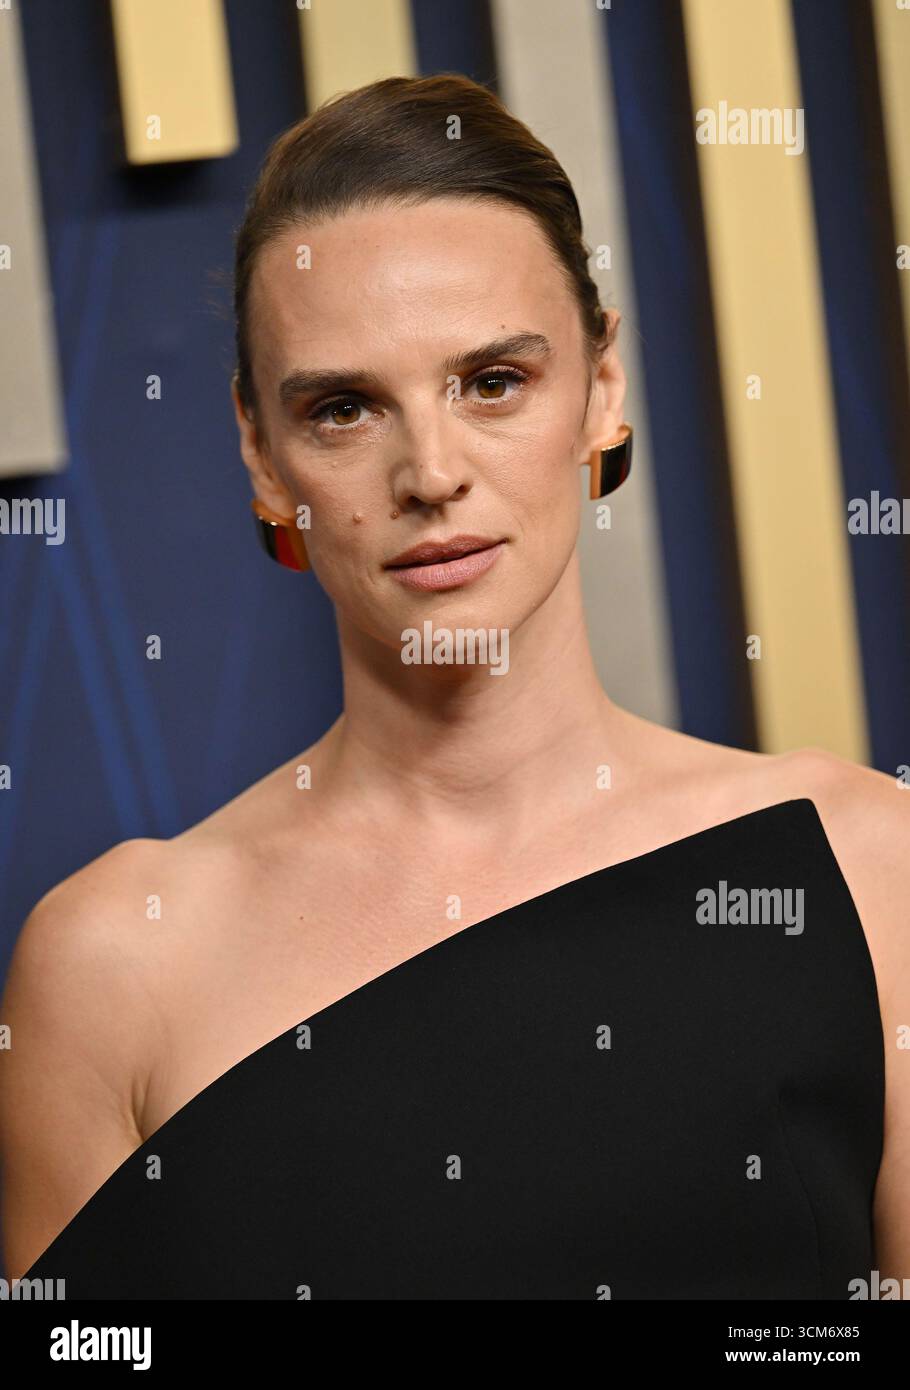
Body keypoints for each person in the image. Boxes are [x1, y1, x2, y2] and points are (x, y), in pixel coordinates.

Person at [1, 74, 907, 1299]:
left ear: (600, 386)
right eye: (341, 408)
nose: (430, 472)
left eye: (491, 382)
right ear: (261, 455)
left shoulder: (864, 869)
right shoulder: (114, 962)